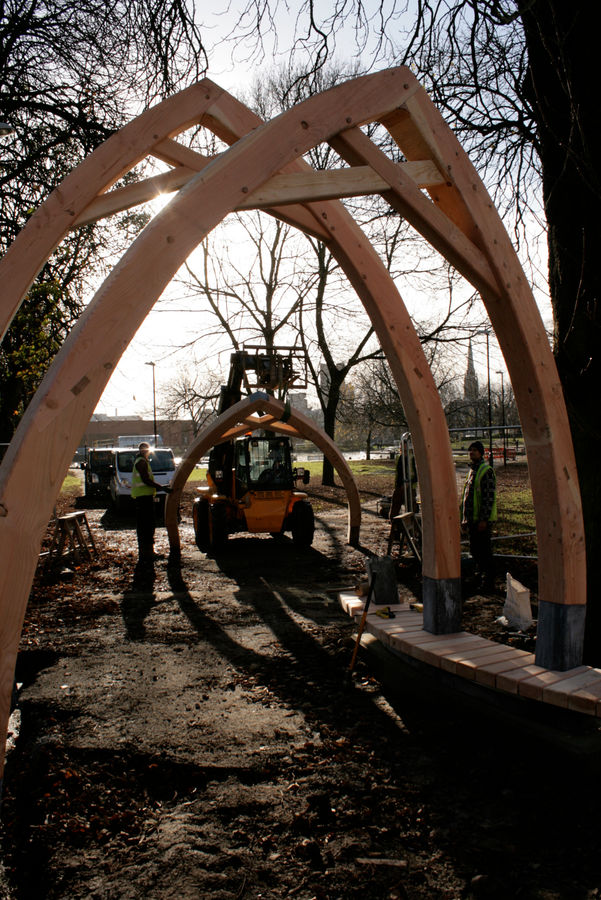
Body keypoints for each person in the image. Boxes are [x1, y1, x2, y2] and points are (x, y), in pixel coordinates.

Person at [461, 440, 497, 590]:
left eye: (475, 450)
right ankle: (479, 577)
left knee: (484, 552)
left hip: (481, 521)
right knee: (475, 551)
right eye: (470, 450)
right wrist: (464, 518)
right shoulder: (472, 471)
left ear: (481, 453)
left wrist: (484, 519)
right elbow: (467, 497)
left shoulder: (486, 471)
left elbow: (488, 498)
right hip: (472, 519)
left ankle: (488, 581)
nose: (472, 453)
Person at [131, 442, 172, 563]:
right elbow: (146, 480)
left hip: (144, 497)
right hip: (143, 498)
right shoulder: (141, 462)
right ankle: (147, 553)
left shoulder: (142, 461)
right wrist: (162, 487)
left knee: (146, 526)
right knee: (147, 526)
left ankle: (146, 552)